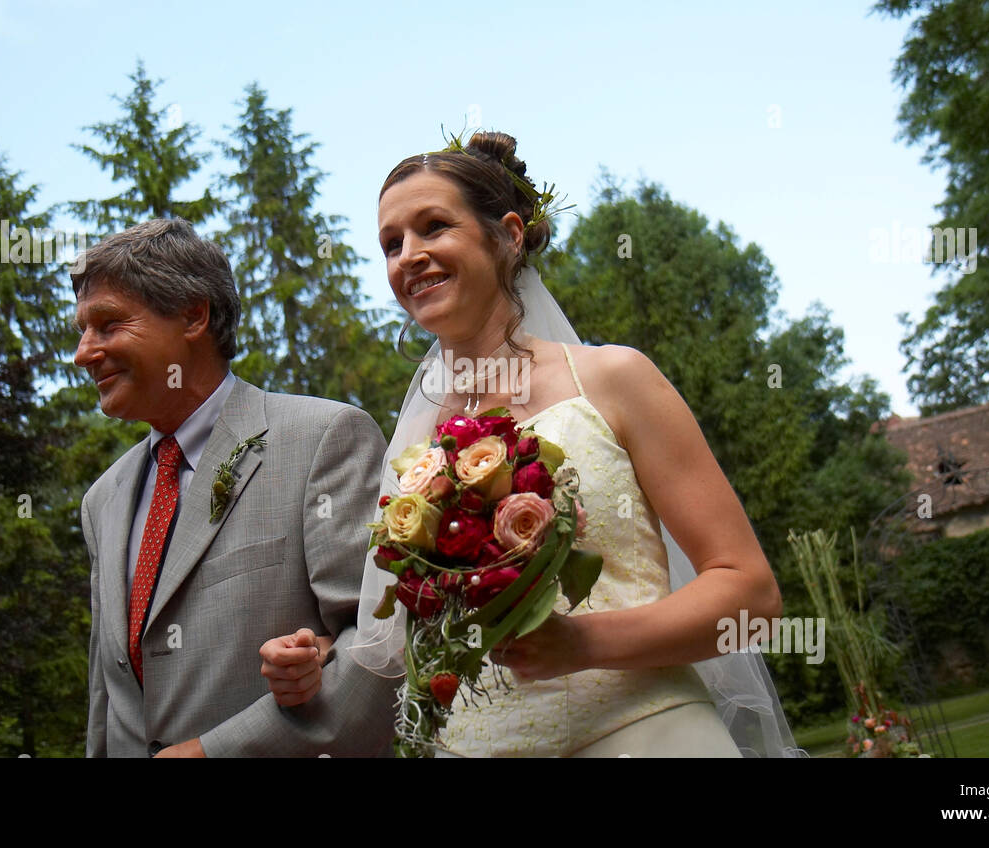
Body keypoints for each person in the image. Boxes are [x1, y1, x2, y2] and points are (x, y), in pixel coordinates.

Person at [301, 132, 799, 757]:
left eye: (434, 227)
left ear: (508, 234)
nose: (410, 256)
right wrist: (321, 654)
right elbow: (418, 633)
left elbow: (751, 597)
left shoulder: (615, 379)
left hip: (643, 733)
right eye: (392, 244)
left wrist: (585, 643)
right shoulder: (416, 443)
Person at [74, 217, 396, 757]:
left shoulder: (323, 438)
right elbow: (108, 702)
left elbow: (378, 650)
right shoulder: (101, 501)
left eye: (107, 325)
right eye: (82, 331)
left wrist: (212, 753)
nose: (84, 352)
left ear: (193, 314)